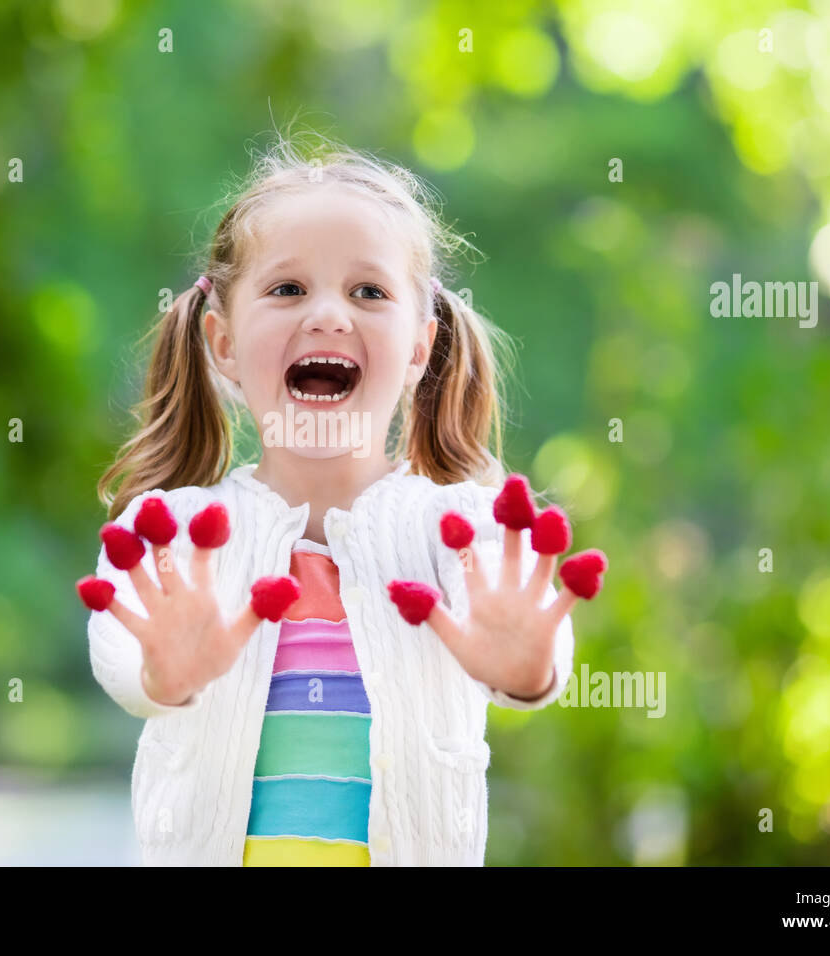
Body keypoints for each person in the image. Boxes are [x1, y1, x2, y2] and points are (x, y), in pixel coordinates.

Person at [78, 132, 606, 866]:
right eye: (288, 289)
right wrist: (161, 673)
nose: (328, 315)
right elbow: (120, 651)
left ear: (420, 348)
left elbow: (536, 655)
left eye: (369, 292)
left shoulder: (463, 530)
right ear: (223, 343)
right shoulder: (174, 535)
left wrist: (528, 666)